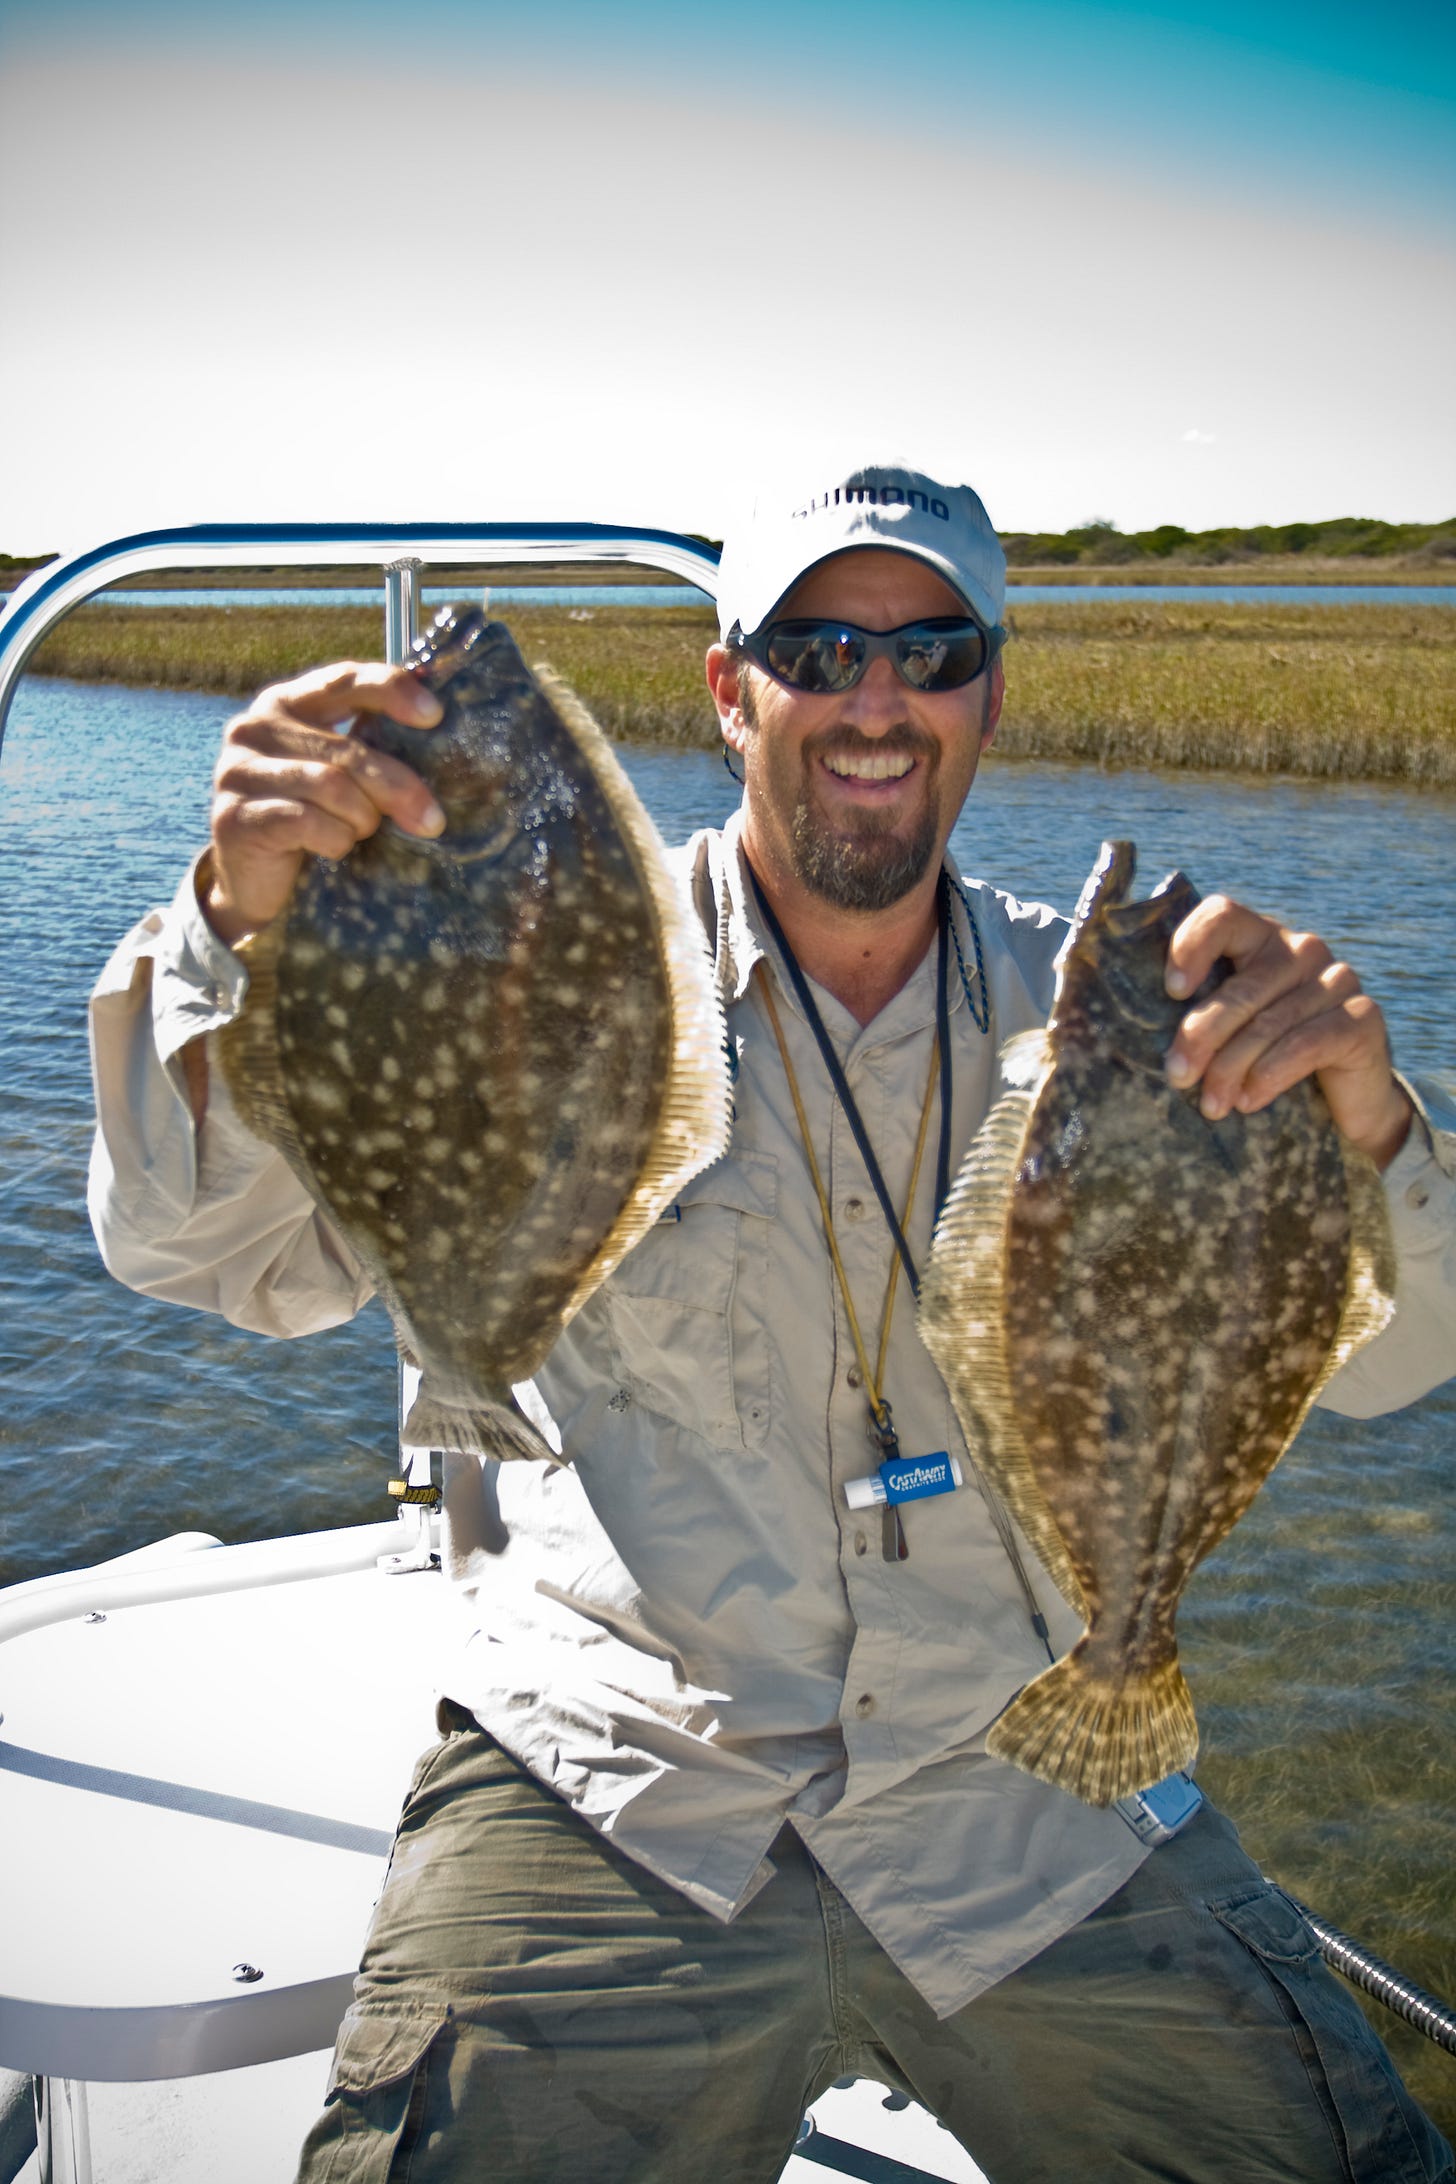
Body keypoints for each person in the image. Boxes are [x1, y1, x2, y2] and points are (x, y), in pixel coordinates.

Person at [88, 462, 1456, 2184]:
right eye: (817, 648)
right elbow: (209, 1259)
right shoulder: (555, 960)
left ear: (989, 695)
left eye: (931, 648)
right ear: (730, 694)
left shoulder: (1138, 1013)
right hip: (621, 1764)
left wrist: (1372, 1117)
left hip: (1021, 1789)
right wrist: (228, 926)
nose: (874, 698)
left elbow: (1400, 1361)